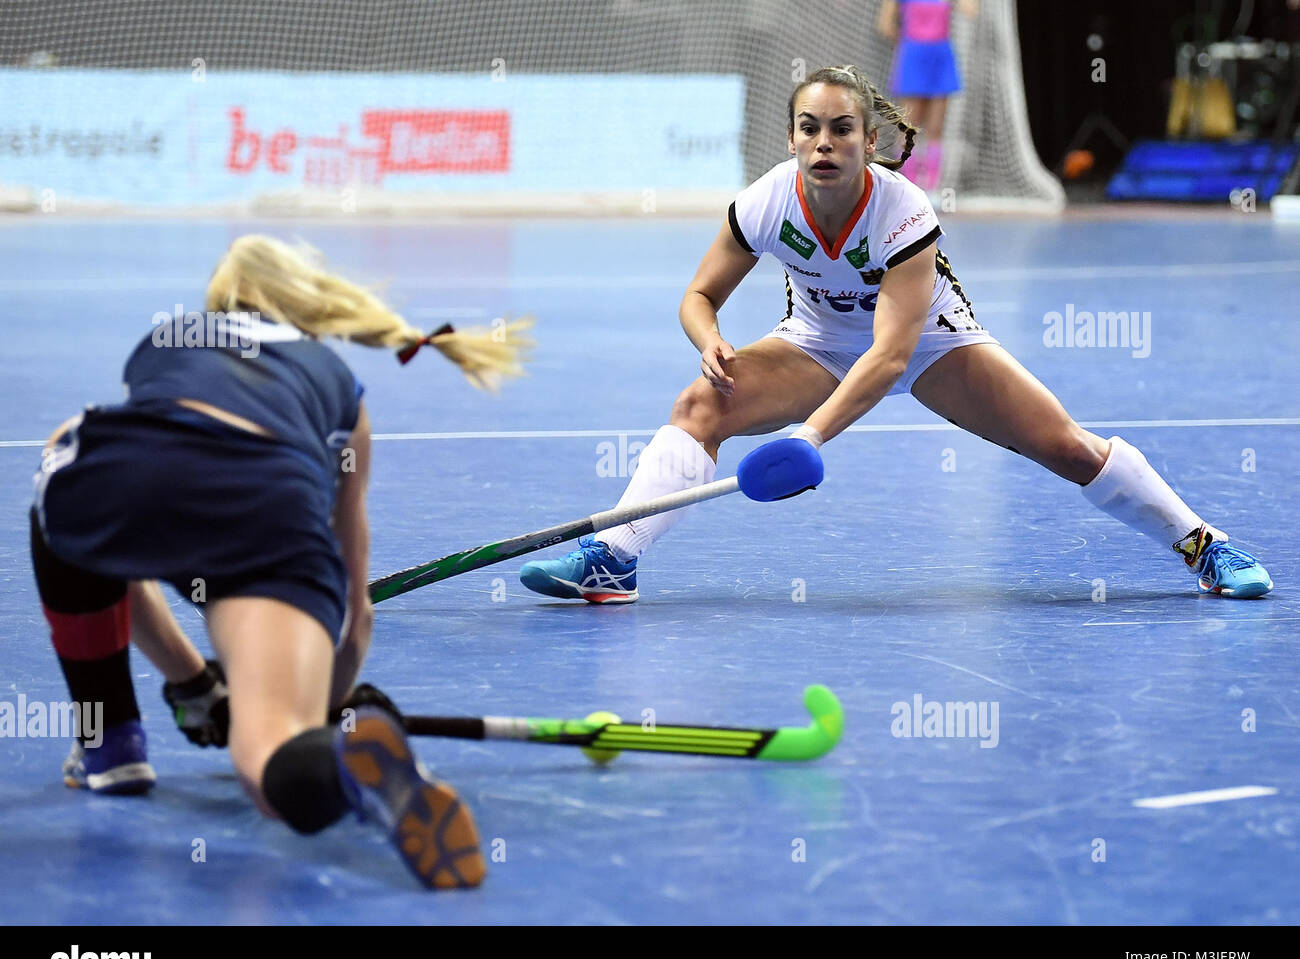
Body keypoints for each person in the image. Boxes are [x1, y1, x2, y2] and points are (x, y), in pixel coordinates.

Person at [518, 65, 1271, 605]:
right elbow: (698, 294)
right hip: (814, 341)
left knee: (1068, 446)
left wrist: (809, 437)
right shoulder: (765, 202)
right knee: (699, 406)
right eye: (809, 128)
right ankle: (614, 560)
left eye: (842, 128)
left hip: (931, 345)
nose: (824, 141)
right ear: (791, 139)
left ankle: (1204, 544)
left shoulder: (903, 212)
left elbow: (891, 355)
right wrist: (708, 338)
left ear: (869, 140)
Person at [31, 235, 530, 889]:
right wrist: (327, 707)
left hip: (134, 482)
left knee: (65, 488)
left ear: (221, 302)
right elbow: (355, 616)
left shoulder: (178, 333)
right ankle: (340, 764)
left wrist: (196, 686)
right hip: (271, 513)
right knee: (268, 762)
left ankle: (111, 739)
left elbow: (116, 557)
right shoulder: (341, 393)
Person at [877, 0, 978, 191]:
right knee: (909, 127)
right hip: (914, 54)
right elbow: (885, 25)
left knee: (936, 127)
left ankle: (932, 186)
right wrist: (912, 40)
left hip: (941, 57)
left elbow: (971, 11)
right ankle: (908, 182)